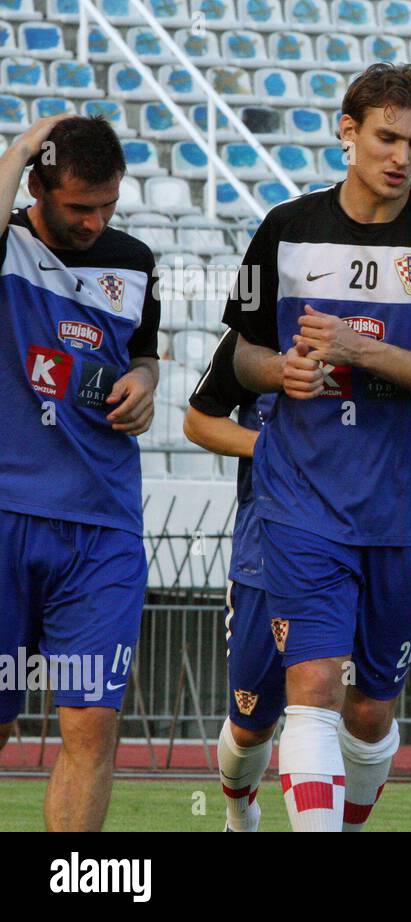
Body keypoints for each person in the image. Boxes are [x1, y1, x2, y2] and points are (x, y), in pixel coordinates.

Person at [221, 63, 411, 832]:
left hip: (407, 508)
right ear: (346, 132)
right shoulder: (285, 227)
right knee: (310, 683)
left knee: (371, 708)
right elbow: (242, 355)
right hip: (302, 497)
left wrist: (358, 349)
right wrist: (279, 367)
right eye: (386, 137)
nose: (402, 157)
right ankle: (248, 811)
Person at [0, 114, 160, 830]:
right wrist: (22, 145)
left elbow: (144, 353)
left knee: (91, 723)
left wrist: (147, 383)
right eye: (79, 207)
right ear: (36, 185)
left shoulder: (134, 260)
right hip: (6, 513)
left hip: (101, 523)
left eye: (108, 205)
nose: (96, 222)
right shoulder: (9, 243)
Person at [184, 329, 281, 831]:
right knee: (249, 724)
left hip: (360, 548)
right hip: (264, 554)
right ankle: (239, 816)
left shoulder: (390, 323)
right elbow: (198, 421)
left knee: (351, 710)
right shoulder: (255, 331)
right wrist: (271, 448)